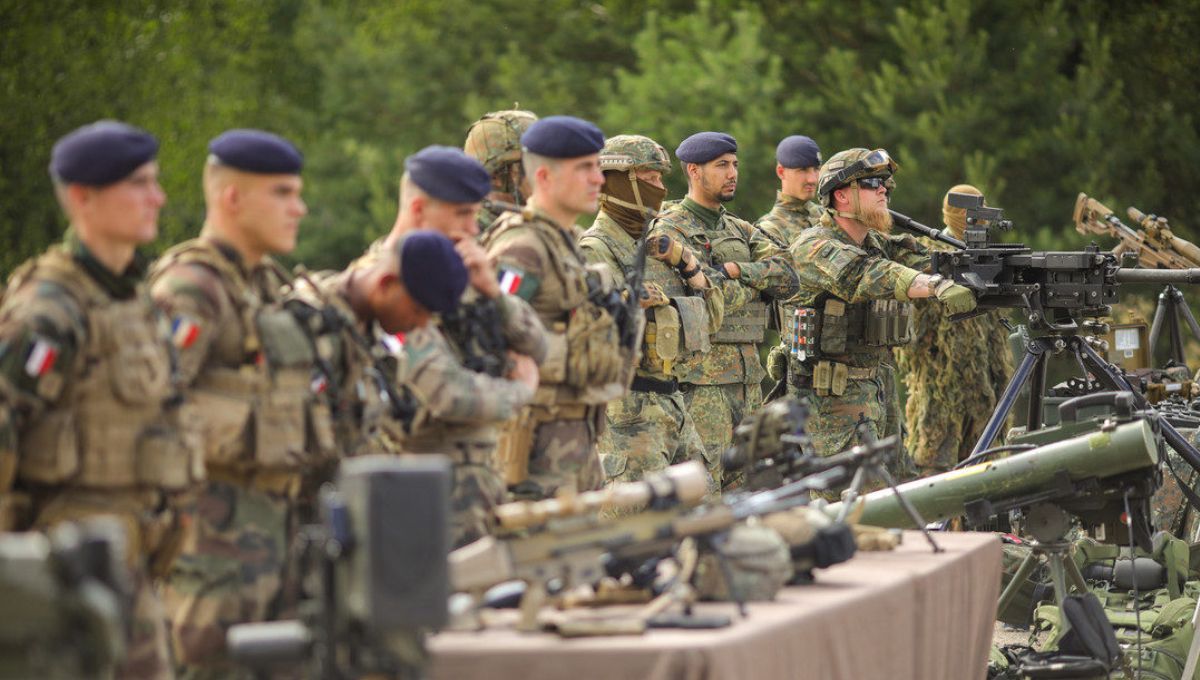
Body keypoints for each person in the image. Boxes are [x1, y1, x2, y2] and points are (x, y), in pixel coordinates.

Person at [0, 120, 202, 679]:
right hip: (61, 587)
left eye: (155, 182)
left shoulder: (137, 303)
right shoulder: (50, 312)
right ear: (83, 197)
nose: (157, 198)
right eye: (139, 184)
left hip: (132, 575)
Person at [149, 128, 333, 678]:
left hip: (278, 544)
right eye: (282, 193)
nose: (299, 208)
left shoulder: (264, 285)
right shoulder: (191, 289)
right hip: (212, 559)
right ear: (232, 198)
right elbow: (149, 414)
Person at [367, 145, 545, 546]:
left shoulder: (460, 273)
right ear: (418, 209)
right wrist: (521, 390)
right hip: (423, 488)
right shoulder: (383, 286)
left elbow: (538, 349)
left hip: (481, 480)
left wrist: (495, 296)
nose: (474, 228)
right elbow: (449, 394)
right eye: (462, 214)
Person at [785, 148, 976, 471]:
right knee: (858, 495)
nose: (884, 189)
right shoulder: (813, 246)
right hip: (830, 403)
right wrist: (935, 286)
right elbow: (866, 274)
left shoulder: (876, 243)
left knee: (900, 489)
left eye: (886, 183)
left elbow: (927, 260)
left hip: (877, 390)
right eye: (872, 183)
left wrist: (983, 268)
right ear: (841, 196)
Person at [481, 115, 635, 499]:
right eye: (584, 168)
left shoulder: (567, 243)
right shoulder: (523, 248)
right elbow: (486, 341)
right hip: (532, 457)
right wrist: (567, 356)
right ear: (544, 177)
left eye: (597, 167)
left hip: (576, 446)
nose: (598, 179)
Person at [654, 132, 798, 484]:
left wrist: (735, 271)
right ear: (694, 170)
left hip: (749, 381)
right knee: (705, 484)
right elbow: (705, 302)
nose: (732, 173)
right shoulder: (671, 230)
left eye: (734, 164)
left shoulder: (740, 228)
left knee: (753, 488)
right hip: (702, 384)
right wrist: (756, 284)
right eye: (721, 165)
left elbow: (789, 277)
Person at [578, 134, 722, 487]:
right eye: (650, 178)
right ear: (617, 181)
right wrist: (631, 302)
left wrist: (687, 264)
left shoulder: (660, 246)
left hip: (673, 403)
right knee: (642, 517)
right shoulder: (594, 250)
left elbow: (713, 319)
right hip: (627, 415)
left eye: (660, 178)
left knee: (705, 509)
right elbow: (590, 334)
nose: (660, 188)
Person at [895, 184, 1013, 475]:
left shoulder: (986, 258)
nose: (980, 221)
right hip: (940, 386)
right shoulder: (928, 255)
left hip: (983, 386)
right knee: (934, 466)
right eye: (973, 214)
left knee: (984, 466)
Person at [754, 136, 824, 396]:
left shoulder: (827, 218)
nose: (812, 178)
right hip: (803, 355)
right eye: (803, 170)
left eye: (816, 169)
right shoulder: (769, 229)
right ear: (781, 172)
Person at [464, 109, 539, 234]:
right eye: (532, 164)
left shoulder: (541, 226)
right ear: (496, 176)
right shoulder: (471, 234)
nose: (544, 174)